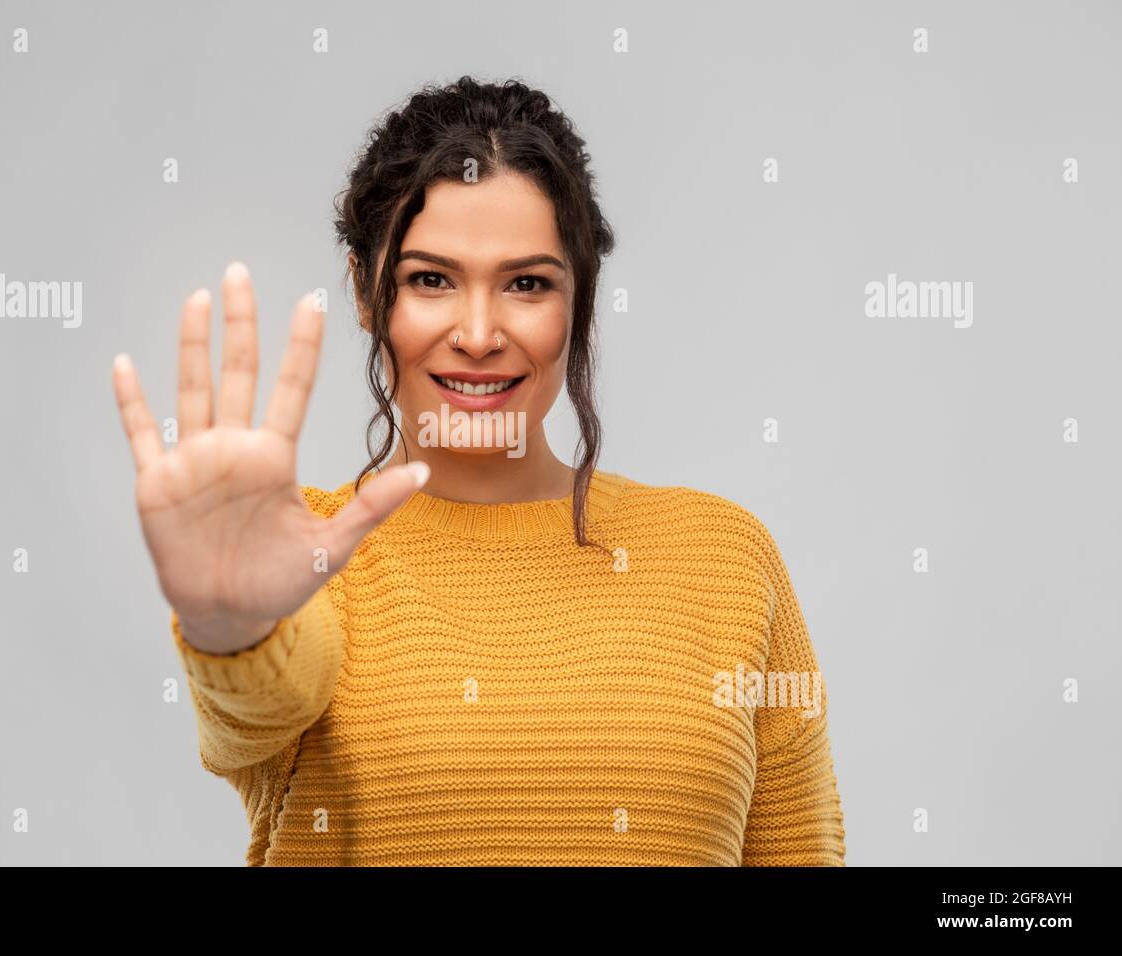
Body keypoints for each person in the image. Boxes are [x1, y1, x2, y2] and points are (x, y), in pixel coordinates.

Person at [111, 76, 846, 866]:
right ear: (365, 290)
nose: (478, 332)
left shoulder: (725, 557)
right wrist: (232, 629)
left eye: (527, 284)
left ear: (580, 301)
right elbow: (256, 707)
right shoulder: (307, 561)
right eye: (431, 280)